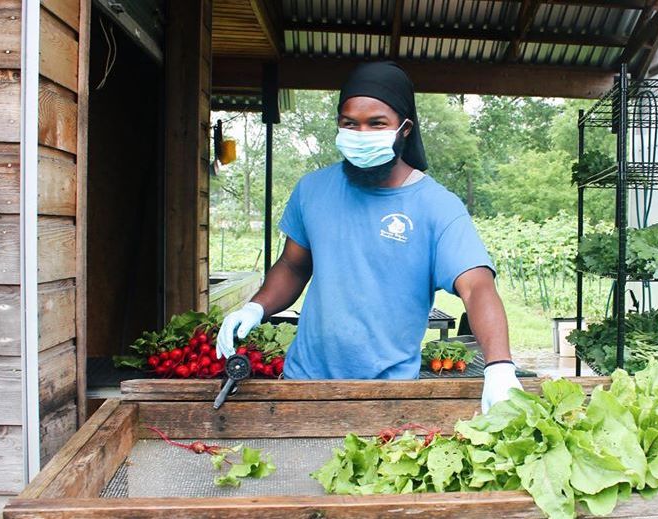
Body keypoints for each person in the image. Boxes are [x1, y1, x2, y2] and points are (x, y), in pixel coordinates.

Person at [216, 61, 521, 412]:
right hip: (303, 382)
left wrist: (499, 366)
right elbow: (294, 265)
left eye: (376, 124)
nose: (361, 133)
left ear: (404, 128)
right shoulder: (313, 190)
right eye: (350, 124)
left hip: (387, 392)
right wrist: (257, 306)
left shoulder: (436, 206)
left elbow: (477, 285)